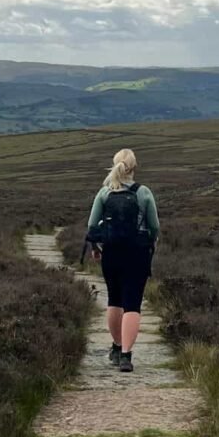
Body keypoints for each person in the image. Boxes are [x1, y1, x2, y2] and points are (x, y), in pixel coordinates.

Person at [85, 147, 159, 374]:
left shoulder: (104, 193)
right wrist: (151, 242)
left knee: (114, 300)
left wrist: (97, 248)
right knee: (132, 304)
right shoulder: (143, 193)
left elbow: (91, 225)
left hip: (112, 254)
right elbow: (154, 226)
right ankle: (127, 355)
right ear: (134, 167)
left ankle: (116, 348)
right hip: (136, 254)